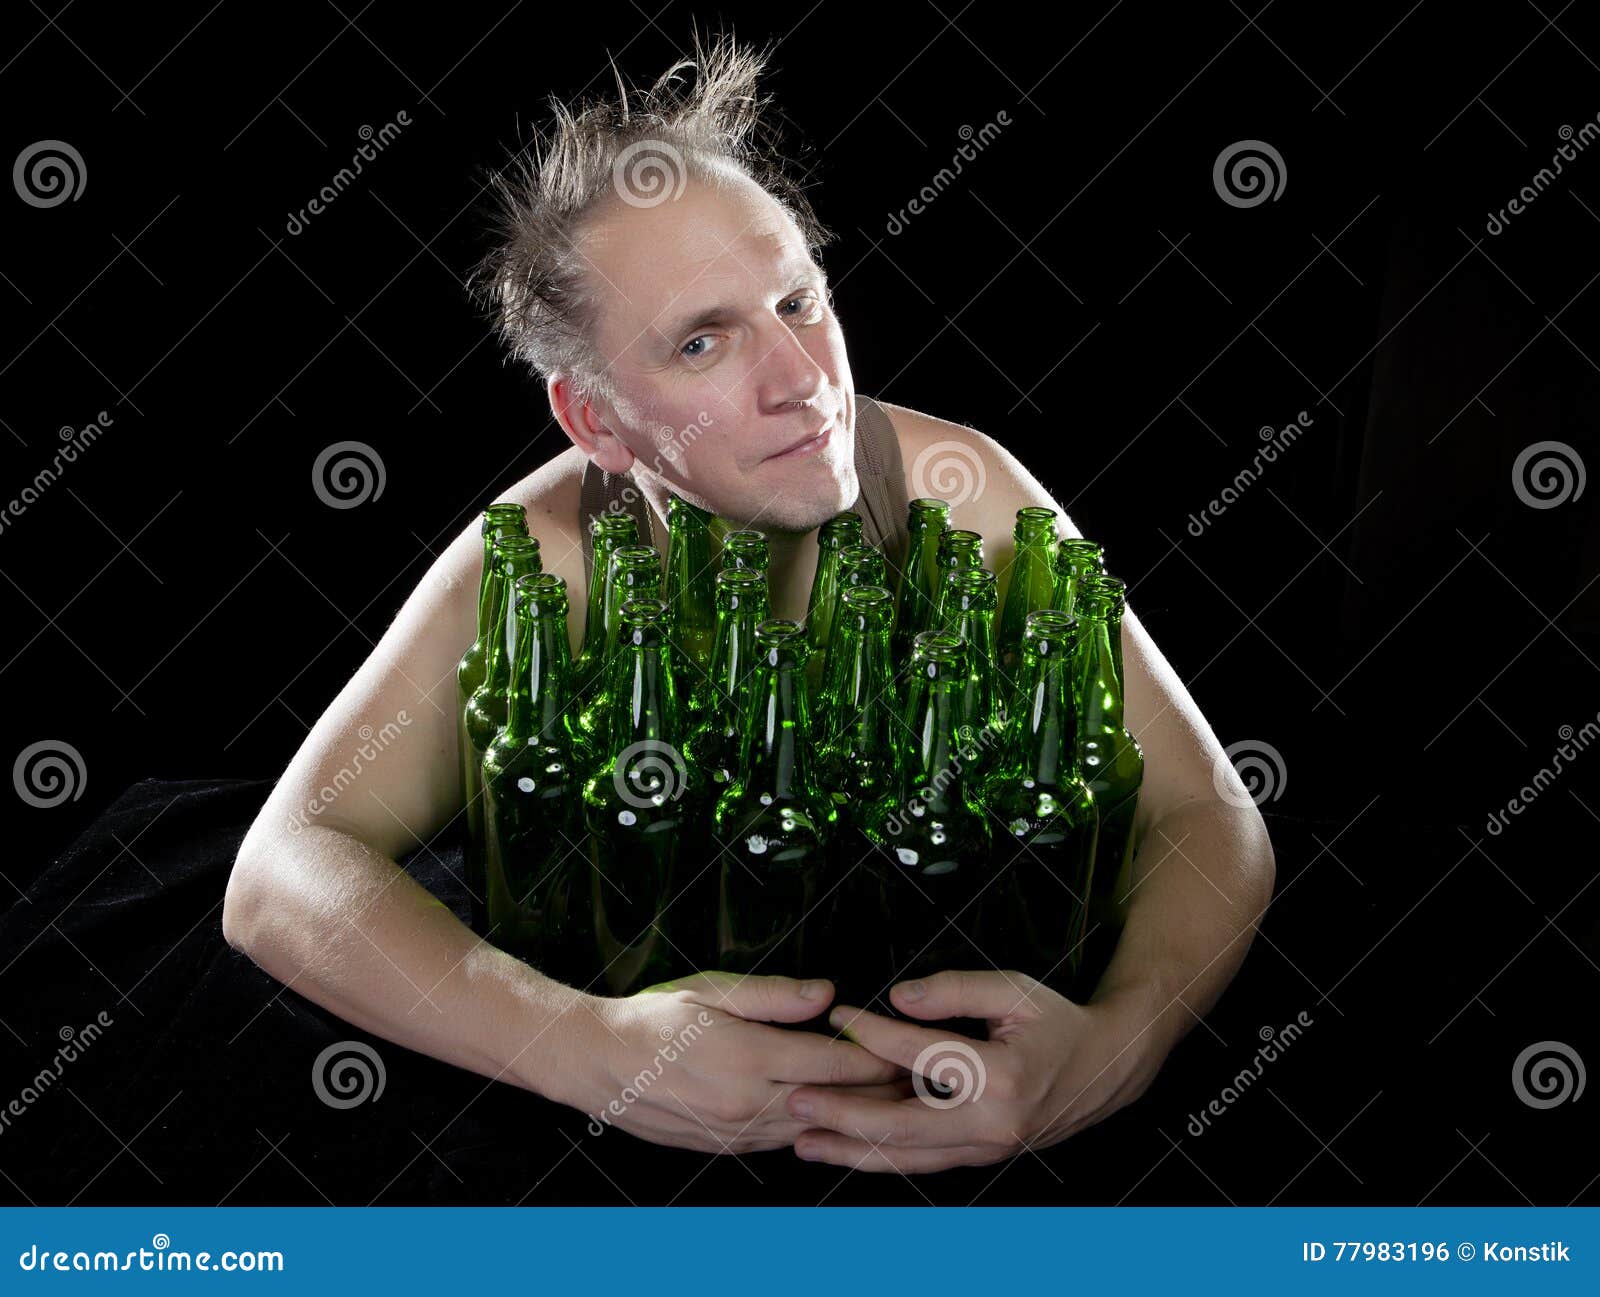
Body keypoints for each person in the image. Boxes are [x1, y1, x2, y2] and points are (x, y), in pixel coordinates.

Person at [221, 31, 1275, 1175]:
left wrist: (1115, 1044)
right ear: (597, 422)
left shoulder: (965, 495)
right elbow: (283, 871)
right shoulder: (539, 561)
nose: (803, 381)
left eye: (797, 299)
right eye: (701, 341)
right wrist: (588, 1050)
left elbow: (1207, 810)